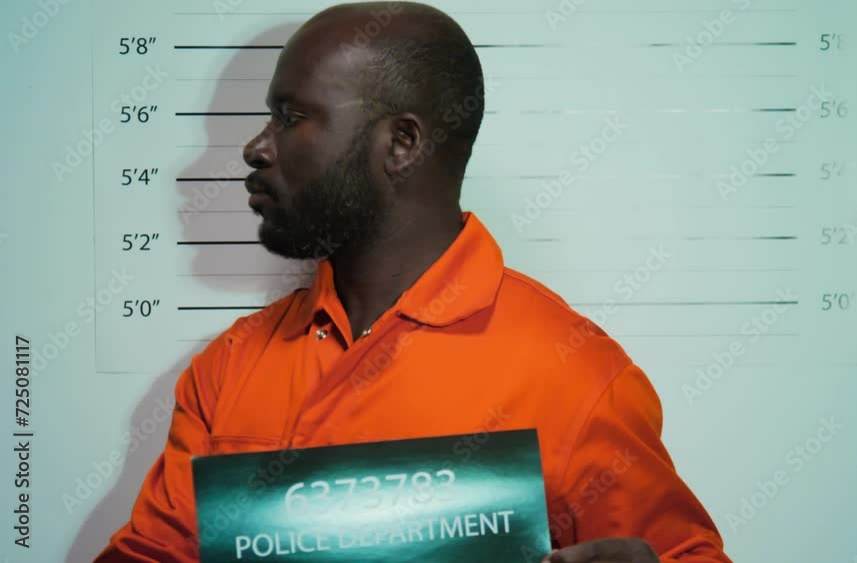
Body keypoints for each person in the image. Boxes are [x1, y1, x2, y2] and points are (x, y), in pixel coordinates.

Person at [95, 2, 730, 561]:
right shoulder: (228, 369)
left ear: (401, 144)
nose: (256, 148)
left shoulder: (573, 374)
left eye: (291, 117)